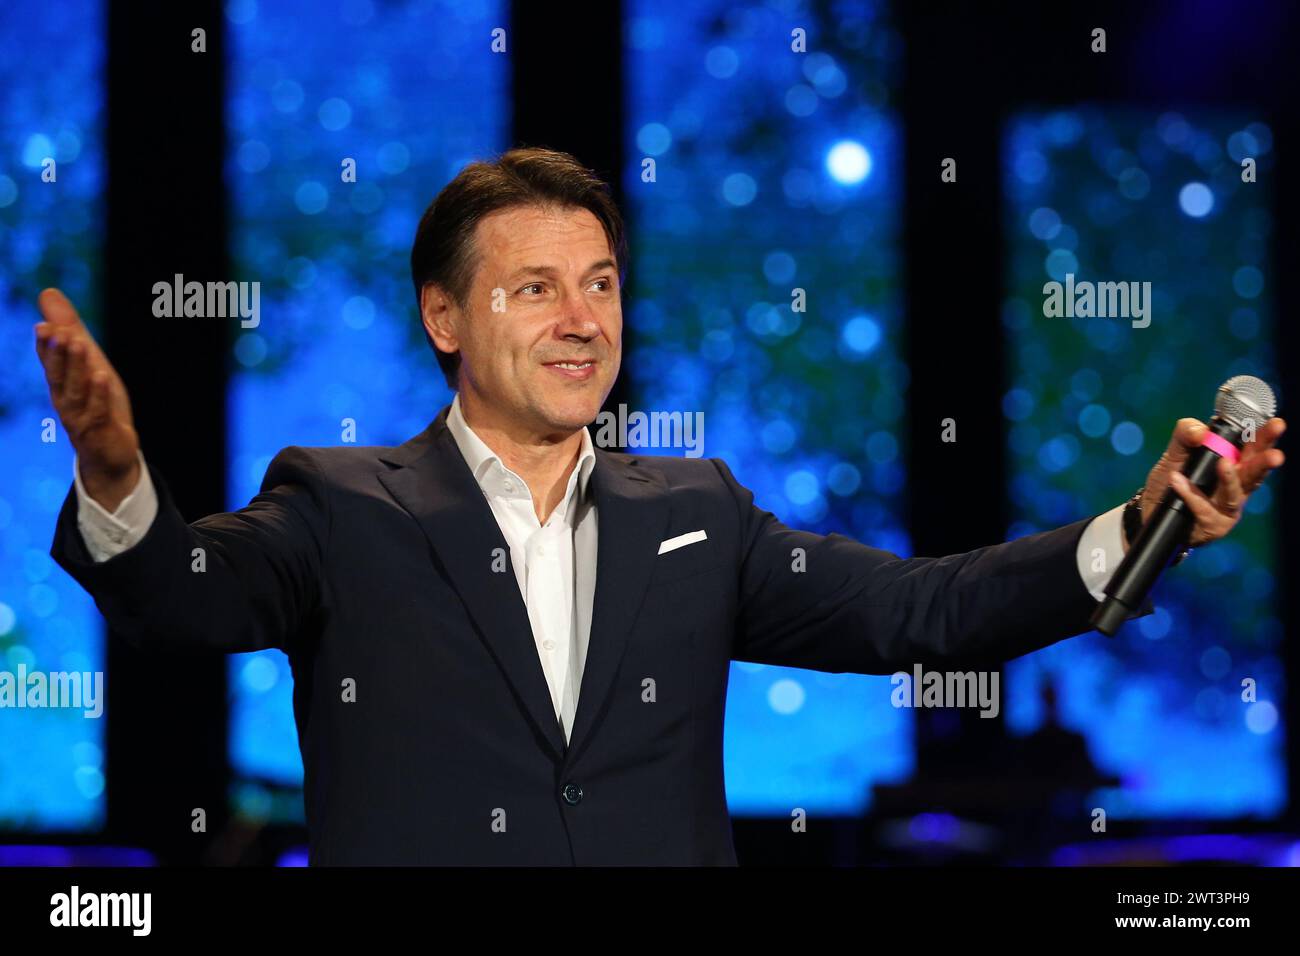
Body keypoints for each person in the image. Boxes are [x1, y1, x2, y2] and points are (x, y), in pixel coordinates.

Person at [37, 147, 1286, 865]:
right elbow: (171, 601)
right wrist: (113, 469)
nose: (583, 319)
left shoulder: (693, 512)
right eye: (535, 288)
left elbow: (924, 609)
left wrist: (1138, 525)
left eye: (600, 284)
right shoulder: (339, 501)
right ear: (443, 318)